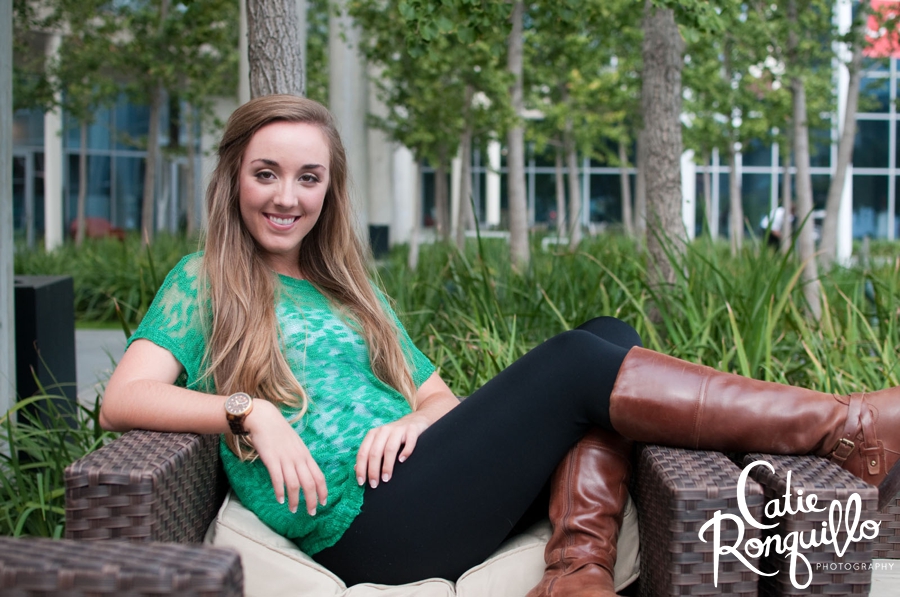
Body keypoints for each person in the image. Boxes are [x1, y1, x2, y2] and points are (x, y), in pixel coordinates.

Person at [100, 95, 900, 597]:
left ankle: (575, 569)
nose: (286, 196)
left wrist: (417, 419)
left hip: (418, 476)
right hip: (365, 525)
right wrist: (251, 414)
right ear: (235, 179)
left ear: (329, 190)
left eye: (308, 178)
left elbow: (435, 392)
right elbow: (122, 398)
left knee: (607, 337)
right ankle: (846, 425)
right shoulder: (203, 278)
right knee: (589, 364)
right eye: (266, 173)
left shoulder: (348, 287)